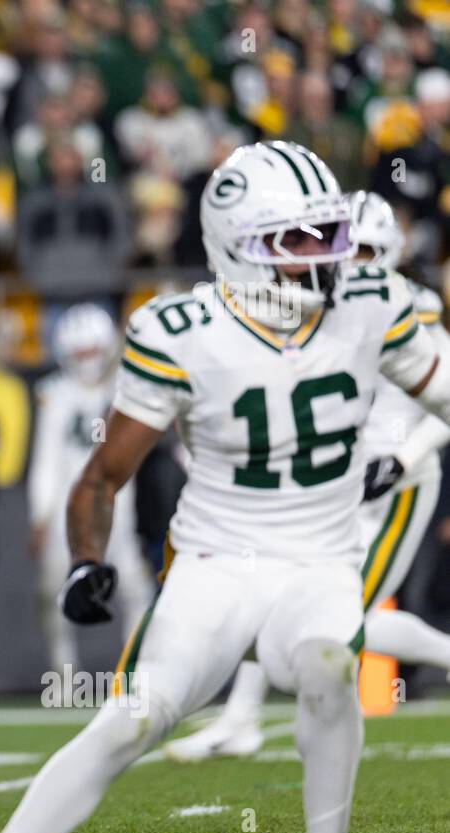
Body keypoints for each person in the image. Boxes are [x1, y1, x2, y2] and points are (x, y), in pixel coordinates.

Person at [0, 141, 450, 833]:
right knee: (131, 721)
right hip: (215, 561)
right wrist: (83, 561)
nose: (327, 255)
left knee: (329, 666)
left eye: (330, 234)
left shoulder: (370, 306)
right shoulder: (182, 333)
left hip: (322, 558)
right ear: (240, 248)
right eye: (300, 238)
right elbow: (104, 474)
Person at [167, 190, 450, 761]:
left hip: (399, 483)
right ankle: (240, 719)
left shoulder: (408, 307)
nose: (356, 260)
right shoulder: (321, 302)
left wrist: (403, 457)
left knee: (347, 617)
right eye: (350, 247)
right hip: (333, 481)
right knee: (280, 593)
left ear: (393, 251)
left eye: (370, 249)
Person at [28, 304, 153, 673]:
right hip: (70, 505)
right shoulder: (56, 394)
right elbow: (46, 459)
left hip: (121, 501)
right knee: (54, 589)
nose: (86, 360)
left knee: (134, 587)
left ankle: (133, 672)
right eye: (79, 353)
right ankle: (64, 671)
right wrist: (40, 513)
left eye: (92, 351)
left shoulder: (125, 387)